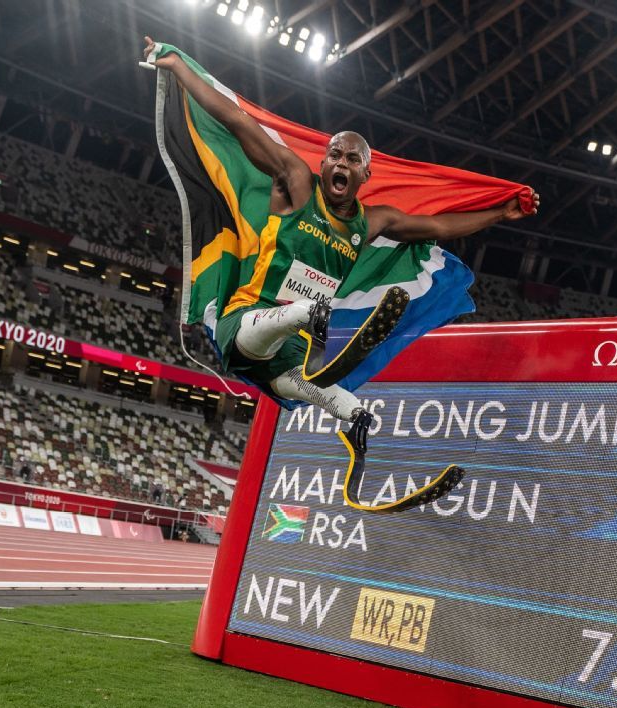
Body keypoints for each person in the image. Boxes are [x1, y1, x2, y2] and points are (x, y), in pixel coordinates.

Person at [143, 37, 539, 511]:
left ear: (365, 175)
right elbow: (237, 120)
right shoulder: (296, 182)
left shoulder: (372, 223)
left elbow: (438, 227)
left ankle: (360, 448)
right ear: (324, 160)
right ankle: (309, 315)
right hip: (246, 321)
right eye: (334, 154)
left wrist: (500, 214)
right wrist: (179, 67)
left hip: (289, 357)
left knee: (337, 400)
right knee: (286, 329)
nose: (340, 162)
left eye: (352, 159)